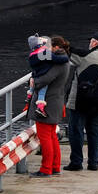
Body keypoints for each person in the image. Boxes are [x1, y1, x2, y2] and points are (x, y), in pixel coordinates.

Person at [65, 34, 98, 171]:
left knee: (76, 131)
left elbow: (67, 51)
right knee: (94, 132)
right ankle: (93, 163)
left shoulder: (84, 55)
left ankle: (76, 162)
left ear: (95, 44)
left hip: (79, 100)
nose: (89, 44)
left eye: (90, 42)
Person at [29, 35, 71, 177]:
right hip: (56, 101)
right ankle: (55, 166)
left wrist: (34, 81)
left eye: (49, 47)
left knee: (45, 136)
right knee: (52, 136)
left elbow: (46, 79)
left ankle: (46, 169)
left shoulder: (58, 63)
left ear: (56, 47)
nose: (47, 49)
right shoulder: (64, 60)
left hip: (48, 104)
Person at [25, 34, 69, 117]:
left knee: (34, 83)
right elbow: (56, 59)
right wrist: (66, 58)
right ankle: (40, 107)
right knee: (42, 91)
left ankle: (29, 95)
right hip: (43, 79)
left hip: (37, 74)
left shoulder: (33, 54)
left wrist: (33, 78)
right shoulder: (44, 53)